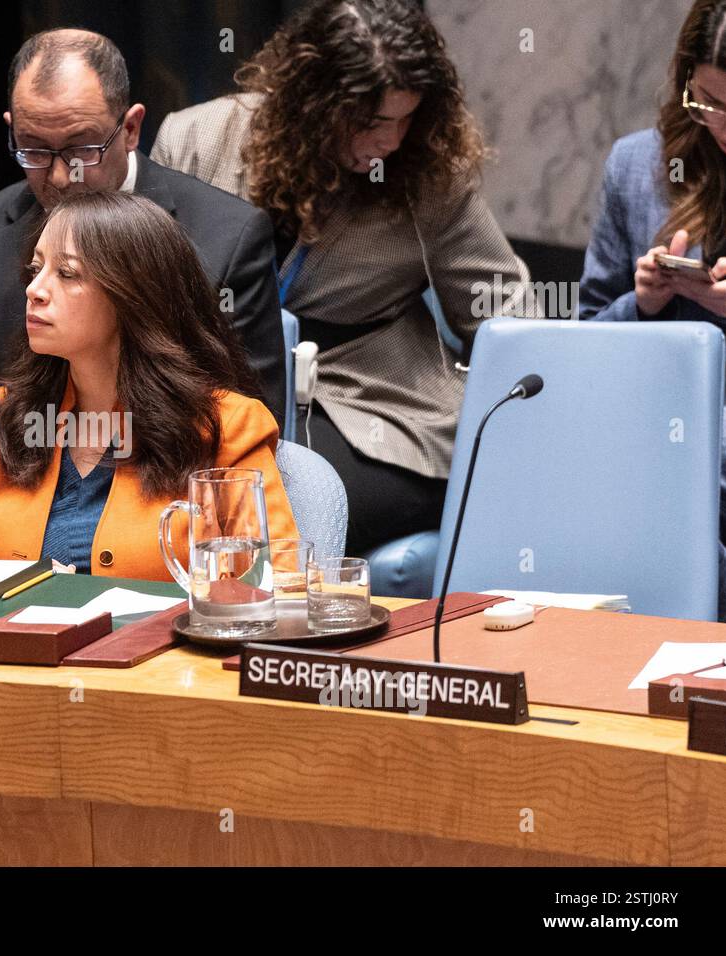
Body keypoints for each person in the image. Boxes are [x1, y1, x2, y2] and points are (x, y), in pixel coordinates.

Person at [151, 0, 531, 555]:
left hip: (370, 406)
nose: (392, 141)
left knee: (281, 501)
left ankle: (287, 639)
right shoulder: (196, 140)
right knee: (178, 493)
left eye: (406, 119)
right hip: (213, 395)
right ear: (312, 102)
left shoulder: (427, 176)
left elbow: (505, 313)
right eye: (373, 122)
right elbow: (146, 292)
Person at [0, 28, 286, 534]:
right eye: (33, 150)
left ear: (132, 128)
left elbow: (243, 449)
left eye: (81, 150)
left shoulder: (224, 239)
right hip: (5, 538)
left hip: (160, 528)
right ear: (11, 131)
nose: (58, 176)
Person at [0, 191, 297, 579]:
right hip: (12, 643)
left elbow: (275, 584)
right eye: (35, 269)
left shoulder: (227, 428)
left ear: (134, 298)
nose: (33, 290)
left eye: (67, 273)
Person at [578, 0, 726, 616]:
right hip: (654, 416)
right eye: (709, 101)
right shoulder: (640, 165)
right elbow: (587, 333)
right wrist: (640, 304)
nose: (724, 125)